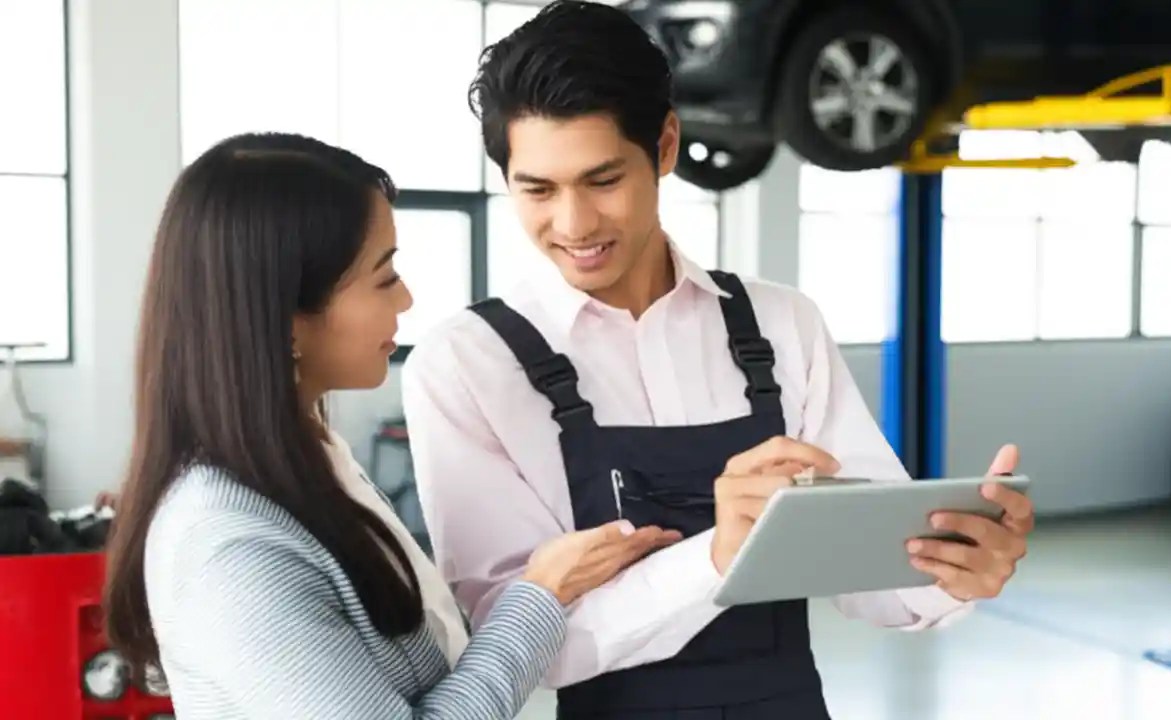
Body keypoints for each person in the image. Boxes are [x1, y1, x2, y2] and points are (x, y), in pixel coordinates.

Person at [401, 2, 1035, 719]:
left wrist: (955, 566)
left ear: (666, 147)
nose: (573, 225)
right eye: (538, 190)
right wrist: (717, 555)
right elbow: (522, 648)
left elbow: (872, 573)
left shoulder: (782, 325)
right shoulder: (464, 366)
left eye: (603, 181)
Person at [101, 132, 680, 719]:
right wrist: (540, 596)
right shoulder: (230, 548)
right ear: (287, 322)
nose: (405, 300)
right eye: (383, 278)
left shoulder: (313, 468)